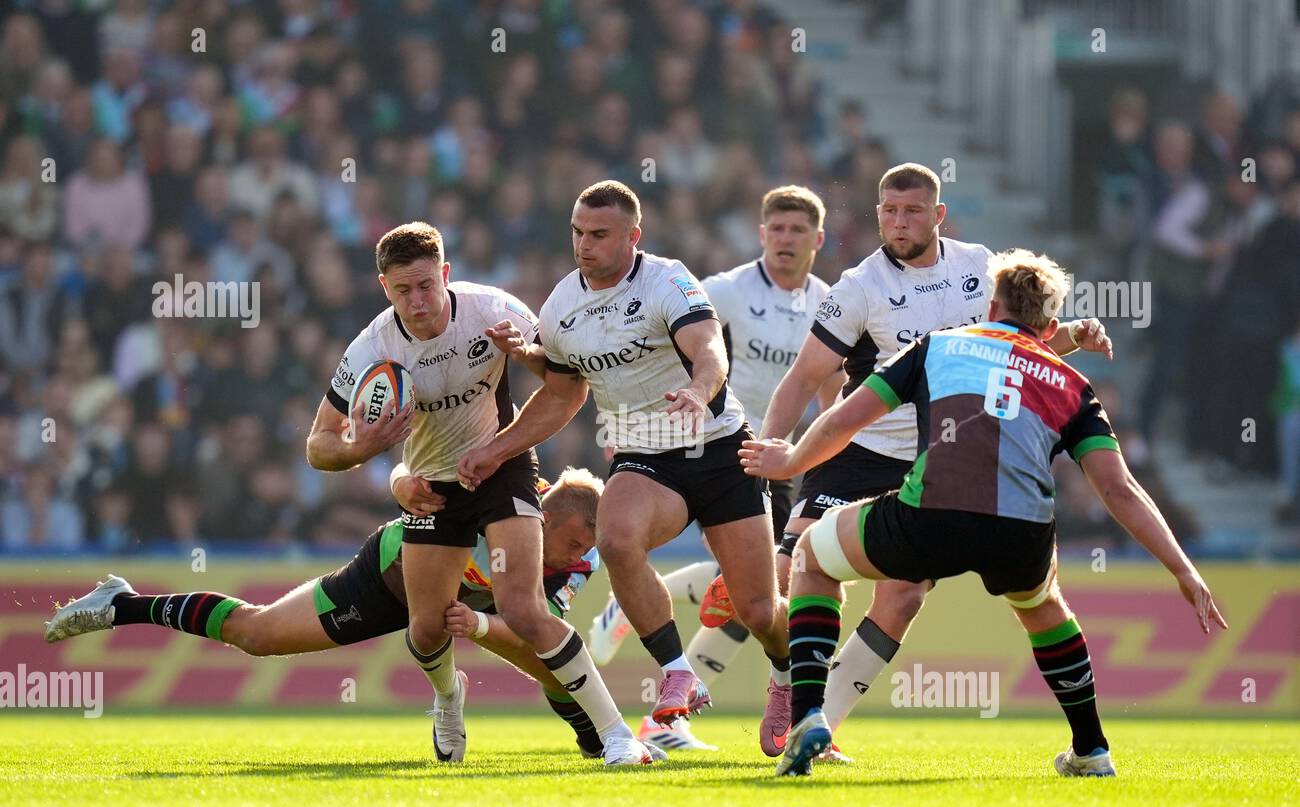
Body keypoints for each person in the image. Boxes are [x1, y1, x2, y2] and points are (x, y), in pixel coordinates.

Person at [740, 248, 1225, 776]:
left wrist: (790, 459)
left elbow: (845, 419)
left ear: (991, 308)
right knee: (1044, 608)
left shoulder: (939, 347)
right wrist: (1183, 568)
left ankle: (810, 714)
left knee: (811, 557)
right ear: (1050, 325)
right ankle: (1091, 748)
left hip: (932, 516)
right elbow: (1119, 489)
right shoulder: (1070, 383)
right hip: (1021, 532)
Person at [704, 163, 1112, 760]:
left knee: (901, 598)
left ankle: (817, 729)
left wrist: (1071, 335)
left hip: (936, 459)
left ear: (938, 216)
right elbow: (806, 376)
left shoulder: (979, 268)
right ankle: (787, 674)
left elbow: (1013, 347)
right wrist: (768, 457)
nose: (899, 223)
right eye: (889, 213)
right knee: (798, 570)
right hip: (860, 447)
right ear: (877, 216)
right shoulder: (860, 287)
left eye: (913, 212)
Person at [458, 181, 793, 756]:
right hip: (645, 455)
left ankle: (788, 679)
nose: (584, 246)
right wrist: (498, 447)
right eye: (577, 233)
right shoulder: (562, 305)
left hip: (719, 449)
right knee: (615, 541)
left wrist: (698, 387)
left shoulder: (667, 279)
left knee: (760, 610)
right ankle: (678, 670)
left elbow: (710, 349)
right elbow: (565, 396)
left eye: (599, 235)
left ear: (633, 237)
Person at [305, 221, 657, 766]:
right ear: (384, 288)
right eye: (403, 291)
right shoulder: (372, 349)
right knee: (426, 628)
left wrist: (530, 359)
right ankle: (449, 698)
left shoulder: (494, 310)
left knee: (522, 606)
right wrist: (362, 447)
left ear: (445, 273)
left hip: (500, 467)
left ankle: (617, 736)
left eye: (426, 285)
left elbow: (568, 387)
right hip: (432, 487)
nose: (418, 301)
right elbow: (319, 446)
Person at [43, 470, 615, 759]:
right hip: (393, 572)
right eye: (572, 543)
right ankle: (124, 603)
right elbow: (408, 476)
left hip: (474, 606)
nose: (574, 558)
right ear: (550, 512)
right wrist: (399, 480)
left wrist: (485, 626)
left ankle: (594, 739)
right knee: (257, 634)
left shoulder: (574, 564)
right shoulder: (500, 493)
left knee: (548, 653)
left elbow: (540, 636)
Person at [586, 184, 835, 751]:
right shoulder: (724, 291)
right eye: (777, 229)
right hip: (725, 446)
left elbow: (832, 385)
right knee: (760, 593)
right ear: (762, 234)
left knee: (754, 599)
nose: (786, 240)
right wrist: (632, 422)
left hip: (787, 456)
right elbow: (663, 341)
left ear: (817, 240)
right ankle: (782, 701)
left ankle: (663, 706)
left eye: (798, 230)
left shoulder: (830, 304)